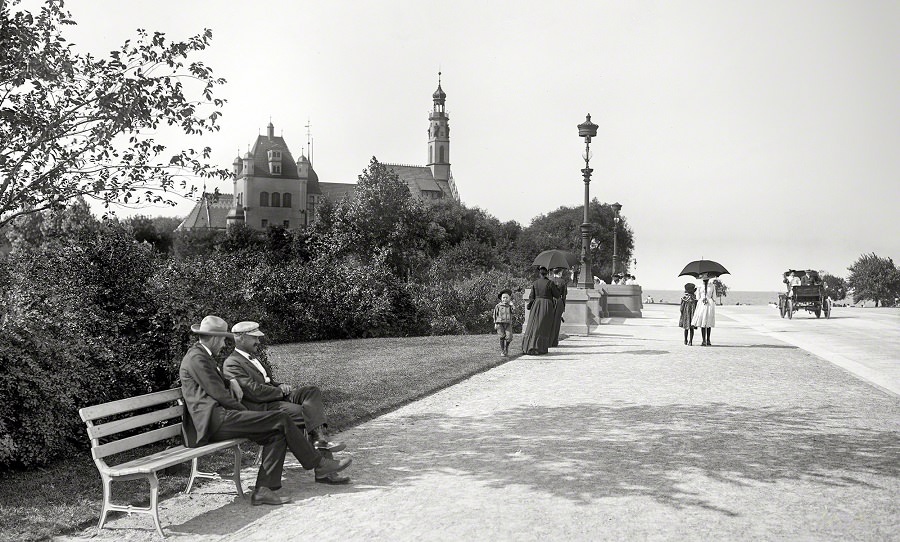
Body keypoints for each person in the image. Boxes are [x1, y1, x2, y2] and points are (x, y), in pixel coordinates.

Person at [180, 315, 351, 505]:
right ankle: (318, 463)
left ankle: (263, 490)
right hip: (213, 422)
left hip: (220, 418)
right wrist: (245, 412)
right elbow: (220, 395)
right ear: (214, 338)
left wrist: (231, 381)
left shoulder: (202, 356)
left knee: (276, 433)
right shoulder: (198, 358)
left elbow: (216, 383)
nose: (223, 344)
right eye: (222, 340)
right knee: (281, 419)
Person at [223, 321, 349, 485]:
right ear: (240, 338)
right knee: (310, 414)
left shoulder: (253, 358)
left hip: (275, 398)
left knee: (311, 392)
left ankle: (319, 440)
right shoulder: (232, 363)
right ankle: (324, 469)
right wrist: (279, 391)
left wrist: (280, 385)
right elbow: (253, 392)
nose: (258, 342)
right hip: (262, 407)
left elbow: (267, 382)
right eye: (254, 338)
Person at [521, 266, 560, 355]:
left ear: (539, 273)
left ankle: (530, 346)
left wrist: (530, 306)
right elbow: (557, 295)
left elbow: (532, 297)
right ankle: (540, 348)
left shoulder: (535, 283)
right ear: (547, 273)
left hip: (536, 304)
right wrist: (556, 286)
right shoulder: (550, 283)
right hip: (547, 305)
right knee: (543, 326)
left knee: (534, 325)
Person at [691, 274, 716, 346]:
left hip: (709, 304)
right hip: (702, 304)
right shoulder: (699, 286)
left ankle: (708, 339)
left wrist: (709, 299)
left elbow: (714, 297)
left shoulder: (712, 286)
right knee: (702, 321)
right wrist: (702, 299)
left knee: (708, 322)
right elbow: (697, 297)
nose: (705, 280)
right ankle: (703, 340)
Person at [549, 268, 568, 347]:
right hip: (558, 301)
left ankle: (548, 340)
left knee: (549, 321)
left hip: (550, 301)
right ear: (560, 273)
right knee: (557, 322)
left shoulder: (550, 280)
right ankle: (554, 341)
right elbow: (564, 295)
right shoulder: (562, 281)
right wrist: (563, 306)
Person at [493, 289, 515, 357]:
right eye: (503, 297)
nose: (505, 299)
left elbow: (514, 312)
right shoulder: (498, 306)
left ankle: (506, 348)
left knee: (509, 337)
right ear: (501, 298)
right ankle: (503, 351)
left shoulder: (510, 306)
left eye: (506, 298)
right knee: (502, 336)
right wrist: (495, 323)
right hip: (499, 323)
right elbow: (495, 315)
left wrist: (512, 305)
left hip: (508, 323)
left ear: (509, 298)